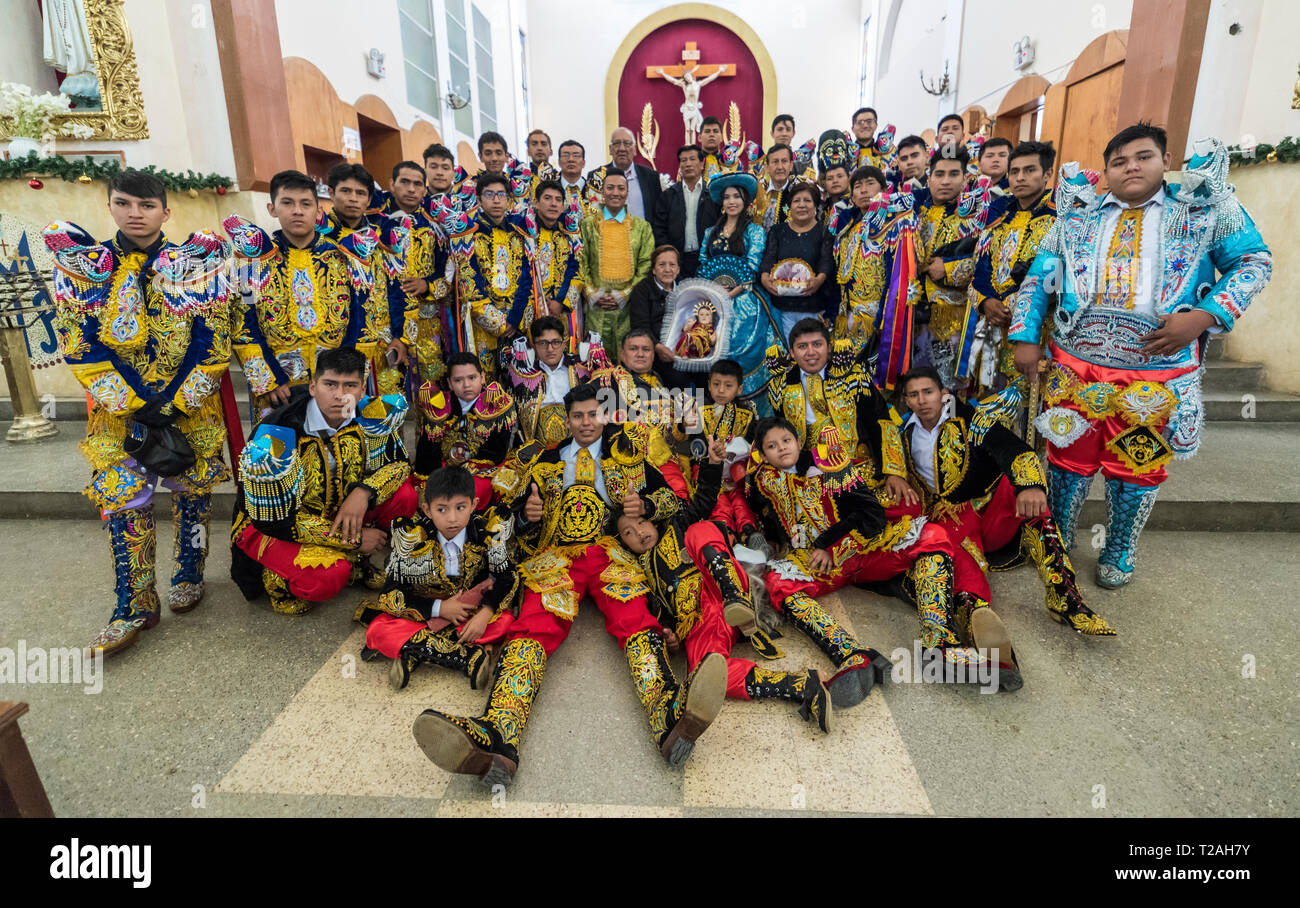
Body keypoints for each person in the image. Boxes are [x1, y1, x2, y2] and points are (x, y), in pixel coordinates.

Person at [413, 383, 727, 786]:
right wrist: (527, 516)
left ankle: (668, 717)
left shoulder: (628, 458)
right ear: (567, 419)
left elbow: (671, 502)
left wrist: (644, 506)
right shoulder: (543, 462)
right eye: (577, 416)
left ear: (605, 415)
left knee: (635, 620)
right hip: (557, 556)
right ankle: (499, 736)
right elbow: (507, 522)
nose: (585, 423)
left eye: (593, 414)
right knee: (534, 627)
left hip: (611, 551)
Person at [1010, 124, 1271, 588]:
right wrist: (1025, 336)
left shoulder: (1205, 209)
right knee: (1066, 459)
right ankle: (1059, 540)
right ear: (1107, 170)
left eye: (1143, 156)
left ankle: (1120, 547)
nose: (1131, 166)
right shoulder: (1077, 214)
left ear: (1165, 161)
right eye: (1119, 160)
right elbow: (1039, 276)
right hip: (1077, 366)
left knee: (1137, 464)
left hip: (1154, 372)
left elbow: (1253, 262)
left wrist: (1206, 315)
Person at [43, 170, 233, 655]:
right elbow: (77, 343)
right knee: (126, 501)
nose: (135, 213)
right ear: (109, 206)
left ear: (165, 212)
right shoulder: (87, 268)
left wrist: (174, 402)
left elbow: (213, 341)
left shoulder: (196, 263)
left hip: (187, 405)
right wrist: (133, 403)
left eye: (147, 206)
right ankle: (133, 602)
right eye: (125, 203)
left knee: (191, 492)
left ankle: (189, 571)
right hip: (118, 411)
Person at [745, 418, 1002, 700]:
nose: (781, 448)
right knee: (778, 581)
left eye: (786, 440)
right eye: (771, 446)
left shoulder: (830, 464)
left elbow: (872, 516)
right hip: (817, 564)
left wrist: (829, 546)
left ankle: (939, 641)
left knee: (931, 535)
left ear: (797, 440)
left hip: (862, 550)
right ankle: (850, 654)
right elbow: (755, 507)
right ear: (763, 454)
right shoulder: (763, 480)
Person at [613, 433, 832, 731]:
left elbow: (704, 498)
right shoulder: (642, 577)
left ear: (653, 519)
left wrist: (713, 464)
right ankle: (801, 686)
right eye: (628, 533)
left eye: (640, 523)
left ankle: (736, 599)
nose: (638, 533)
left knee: (700, 529)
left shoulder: (675, 527)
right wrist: (672, 639)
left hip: (721, 587)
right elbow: (658, 619)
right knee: (704, 672)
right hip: (701, 623)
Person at [898, 366, 1115, 637]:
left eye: (928, 392)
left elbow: (1010, 448)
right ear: (906, 400)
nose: (922, 400)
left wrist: (1031, 485)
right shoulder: (901, 432)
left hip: (985, 510)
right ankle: (974, 617)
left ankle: (1064, 596)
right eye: (914, 395)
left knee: (1034, 509)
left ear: (944, 393)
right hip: (947, 522)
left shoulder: (972, 420)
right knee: (960, 566)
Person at [230, 348, 418, 616]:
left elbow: (399, 465)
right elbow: (275, 521)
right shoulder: (277, 433)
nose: (340, 395)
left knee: (406, 496)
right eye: (330, 384)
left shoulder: (369, 413)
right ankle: (278, 580)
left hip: (333, 510)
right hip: (271, 525)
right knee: (328, 578)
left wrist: (364, 492)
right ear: (313, 386)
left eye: (349, 385)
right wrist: (353, 540)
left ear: (362, 389)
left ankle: (354, 560)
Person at [356, 466, 519, 691]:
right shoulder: (412, 537)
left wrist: (486, 612)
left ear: (473, 504)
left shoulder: (486, 532)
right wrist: (439, 608)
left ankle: (413, 650)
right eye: (442, 509)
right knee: (380, 629)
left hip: (469, 611)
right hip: (422, 612)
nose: (452, 518)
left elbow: (507, 577)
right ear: (427, 509)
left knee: (504, 622)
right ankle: (465, 657)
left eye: (460, 507)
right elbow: (391, 593)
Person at [225, 169, 365, 412]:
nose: (297, 211)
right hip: (278, 388)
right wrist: (268, 380)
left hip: (337, 384)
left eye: (306, 204)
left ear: (318, 210)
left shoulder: (345, 258)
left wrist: (346, 378)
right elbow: (244, 327)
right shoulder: (250, 264)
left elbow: (360, 319)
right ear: (272, 209)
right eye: (287, 203)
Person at [766, 319, 916, 512]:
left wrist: (893, 473)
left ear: (829, 347)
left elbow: (880, 422)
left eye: (817, 344)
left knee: (903, 505)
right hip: (809, 471)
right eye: (802, 346)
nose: (810, 352)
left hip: (858, 465)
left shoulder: (854, 376)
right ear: (792, 352)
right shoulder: (781, 385)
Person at [967, 140, 1056, 397]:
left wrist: (1010, 305)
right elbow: (979, 268)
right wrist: (985, 302)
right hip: (993, 328)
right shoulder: (998, 213)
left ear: (1047, 174)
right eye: (1014, 171)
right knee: (991, 406)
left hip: (1039, 332)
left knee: (1030, 413)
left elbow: (1058, 279)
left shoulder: (1062, 216)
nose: (1020, 178)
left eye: (1030, 170)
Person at [697, 171, 778, 407]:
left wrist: (731, 292)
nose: (731, 201)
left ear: (745, 201)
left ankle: (751, 415)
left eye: (736, 196)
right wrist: (713, 292)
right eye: (727, 197)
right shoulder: (709, 233)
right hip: (712, 303)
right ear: (721, 203)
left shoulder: (755, 231)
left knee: (744, 353)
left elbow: (752, 267)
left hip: (744, 303)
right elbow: (703, 264)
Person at [319, 162, 398, 396]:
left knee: (385, 417)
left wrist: (402, 336)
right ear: (331, 193)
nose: (353, 199)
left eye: (360, 193)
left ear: (369, 198)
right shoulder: (318, 239)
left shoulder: (382, 238)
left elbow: (397, 288)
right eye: (346, 191)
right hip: (333, 347)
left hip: (381, 344)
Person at [453, 171, 537, 377]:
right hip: (484, 324)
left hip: (518, 323)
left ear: (509, 200)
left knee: (521, 380)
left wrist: (516, 317)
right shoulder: (468, 234)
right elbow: (468, 283)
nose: (496, 200)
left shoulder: (520, 232)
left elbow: (528, 277)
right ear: (479, 199)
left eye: (501, 195)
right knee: (487, 379)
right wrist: (500, 323)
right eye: (489, 195)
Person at [372, 161, 445, 388]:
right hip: (385, 324)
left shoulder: (435, 224)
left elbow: (449, 272)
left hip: (425, 320)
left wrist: (428, 284)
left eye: (417, 184)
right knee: (388, 391)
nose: (411, 189)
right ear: (392, 184)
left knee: (430, 387)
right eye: (405, 182)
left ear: (425, 189)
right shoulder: (374, 222)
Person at [917, 145, 983, 389]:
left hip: (954, 320)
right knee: (914, 388)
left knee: (947, 391)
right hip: (912, 318)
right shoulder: (915, 213)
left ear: (966, 178)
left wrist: (949, 268)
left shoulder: (978, 216)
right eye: (939, 174)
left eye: (953, 174)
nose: (946, 181)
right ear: (929, 177)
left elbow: (991, 261)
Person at [413, 352, 515, 502]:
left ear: (483, 377)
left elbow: (495, 454)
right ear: (449, 383)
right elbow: (426, 455)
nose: (466, 385)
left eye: (472, 378)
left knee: (471, 491)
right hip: (442, 471)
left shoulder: (498, 404)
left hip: (481, 473)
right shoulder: (436, 406)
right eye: (458, 380)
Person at [579, 170, 653, 353]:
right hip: (595, 308)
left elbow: (646, 266)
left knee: (626, 362)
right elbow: (581, 262)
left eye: (621, 188)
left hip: (629, 309)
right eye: (610, 188)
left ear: (627, 193)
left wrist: (626, 294)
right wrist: (590, 293)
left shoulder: (642, 228)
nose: (615, 193)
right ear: (602, 192)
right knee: (595, 363)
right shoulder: (587, 225)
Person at [499, 315, 598, 448]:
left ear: (564, 343)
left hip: (578, 446)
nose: (550, 349)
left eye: (555, 342)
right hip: (535, 450)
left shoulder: (581, 370)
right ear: (533, 345)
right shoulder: (520, 374)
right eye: (543, 343)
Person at [759, 182, 836, 337]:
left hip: (813, 307)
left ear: (815, 205)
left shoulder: (824, 232)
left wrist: (819, 279)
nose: (802, 205)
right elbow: (768, 258)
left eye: (807, 201)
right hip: (780, 308)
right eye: (797, 201)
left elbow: (826, 261)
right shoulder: (777, 231)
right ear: (790, 206)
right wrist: (764, 278)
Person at [829, 165, 890, 352]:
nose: (864, 190)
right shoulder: (844, 229)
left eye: (870, 184)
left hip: (880, 320)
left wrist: (884, 319)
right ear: (852, 197)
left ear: (884, 190)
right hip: (845, 320)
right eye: (858, 186)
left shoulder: (894, 226)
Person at [652, 143, 718, 277]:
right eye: (683, 160)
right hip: (676, 262)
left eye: (692, 159)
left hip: (707, 261)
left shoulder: (713, 194)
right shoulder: (668, 196)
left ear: (701, 164)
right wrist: (670, 256)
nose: (688, 164)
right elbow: (659, 229)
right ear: (680, 166)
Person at [628, 245, 688, 387]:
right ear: (654, 269)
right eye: (661, 265)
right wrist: (658, 347)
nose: (667, 269)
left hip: (686, 352)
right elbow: (640, 328)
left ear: (678, 269)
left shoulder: (687, 287)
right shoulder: (641, 290)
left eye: (672, 265)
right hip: (657, 353)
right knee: (676, 378)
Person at [531, 178, 584, 319]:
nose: (553, 204)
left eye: (558, 200)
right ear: (536, 203)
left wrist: (561, 303)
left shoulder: (571, 235)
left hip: (560, 312)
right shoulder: (525, 233)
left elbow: (579, 272)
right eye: (547, 198)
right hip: (532, 310)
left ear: (562, 206)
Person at [586, 127, 662, 221]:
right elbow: (592, 215)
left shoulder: (650, 176)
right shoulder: (596, 176)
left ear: (634, 149)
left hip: (644, 235)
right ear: (610, 149)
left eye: (627, 143)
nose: (622, 148)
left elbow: (659, 214)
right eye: (617, 143)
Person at [753, 143, 801, 229]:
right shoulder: (757, 190)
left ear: (791, 165)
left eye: (784, 161)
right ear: (767, 167)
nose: (780, 167)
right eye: (775, 162)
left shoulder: (799, 191)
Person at [556, 139, 587, 206]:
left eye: (576, 156)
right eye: (566, 155)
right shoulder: (550, 188)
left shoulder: (592, 189)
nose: (571, 159)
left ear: (583, 163)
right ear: (559, 162)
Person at [699, 115, 726, 181]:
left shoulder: (728, 162)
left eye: (715, 131)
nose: (711, 134)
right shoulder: (693, 162)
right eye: (707, 131)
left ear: (722, 138)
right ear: (699, 137)